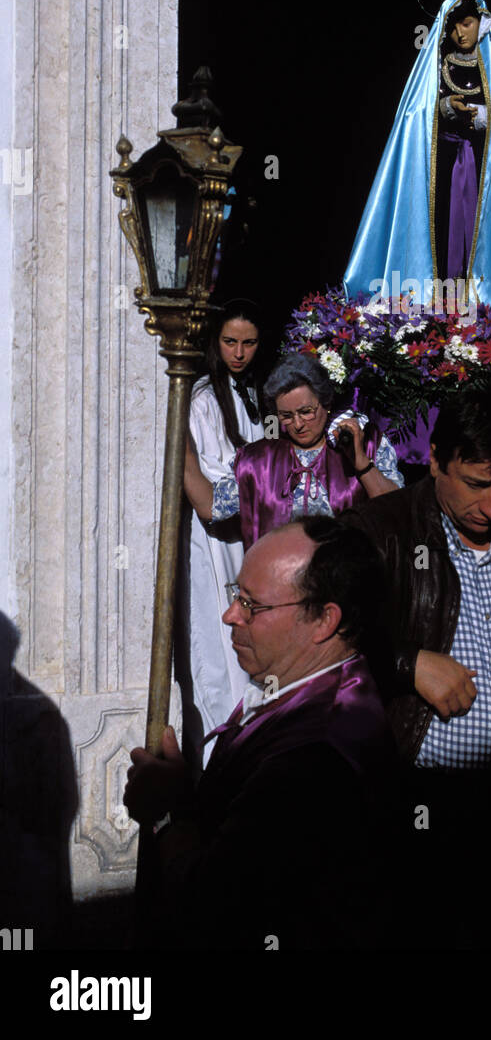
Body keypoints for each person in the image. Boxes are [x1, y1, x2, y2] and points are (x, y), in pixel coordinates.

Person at [345, 389, 491, 946]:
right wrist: (407, 662)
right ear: (434, 461)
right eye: (476, 484)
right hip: (420, 810)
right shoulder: (379, 533)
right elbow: (327, 642)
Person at [123, 518, 396, 949]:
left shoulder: (313, 755)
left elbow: (212, 907)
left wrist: (166, 813)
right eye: (236, 596)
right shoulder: (296, 688)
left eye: (252, 605)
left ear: (325, 620)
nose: (231, 615)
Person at [343, 0, 491, 306]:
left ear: (483, 23)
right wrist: (444, 108)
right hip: (440, 172)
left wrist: (486, 119)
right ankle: (430, 300)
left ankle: (476, 303)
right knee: (441, 233)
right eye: (455, 25)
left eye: (468, 22)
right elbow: (413, 119)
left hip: (482, 175)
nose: (462, 32)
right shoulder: (433, 72)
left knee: (473, 235)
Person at [184, 352, 403, 551]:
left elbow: (395, 511)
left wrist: (361, 462)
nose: (297, 424)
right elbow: (210, 506)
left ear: (326, 402)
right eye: (286, 416)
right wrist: (182, 449)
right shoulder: (259, 461)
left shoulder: (366, 442)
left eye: (306, 412)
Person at [181, 300, 266, 764]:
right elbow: (214, 492)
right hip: (214, 542)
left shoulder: (253, 394)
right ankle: (217, 754)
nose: (239, 353)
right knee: (217, 638)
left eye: (248, 343)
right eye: (230, 342)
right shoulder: (202, 399)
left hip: (248, 535)